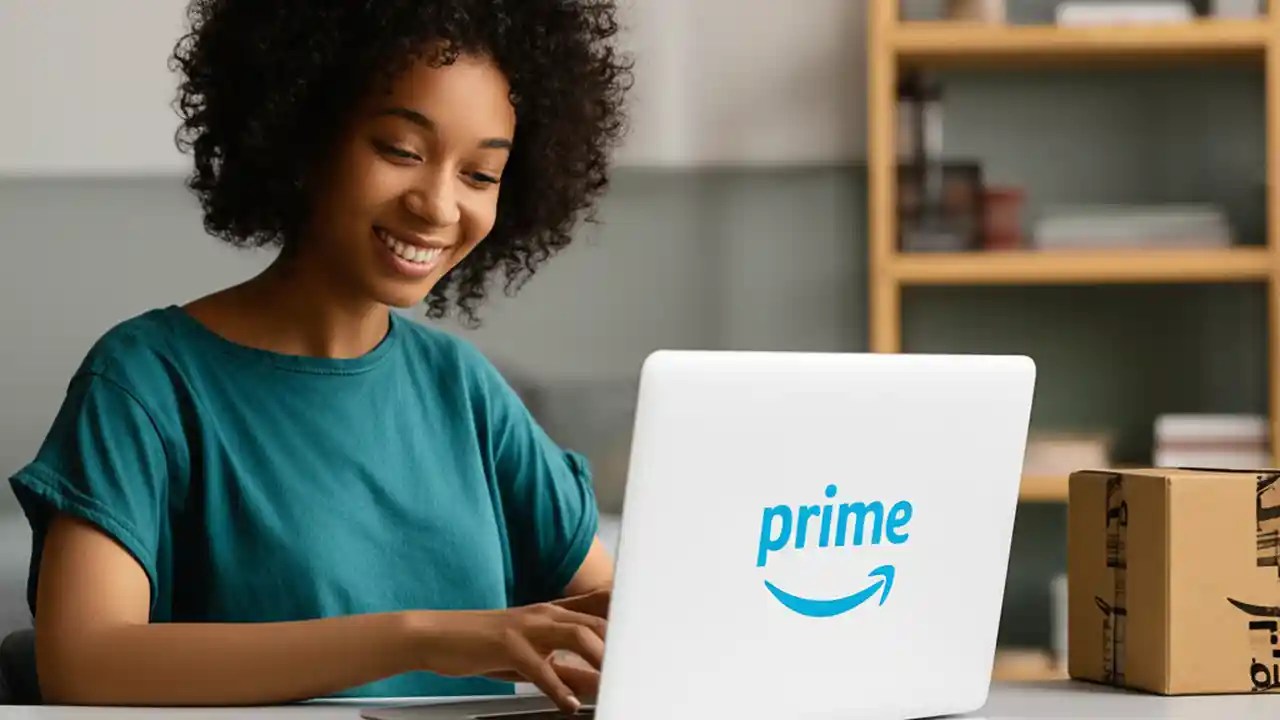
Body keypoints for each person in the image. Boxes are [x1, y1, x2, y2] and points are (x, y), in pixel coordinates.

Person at [6, 0, 632, 712]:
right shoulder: (146, 381)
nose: (438, 205)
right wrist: (420, 639)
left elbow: (616, 611)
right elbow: (84, 662)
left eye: (481, 175)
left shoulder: (465, 391)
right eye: (401, 150)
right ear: (306, 135)